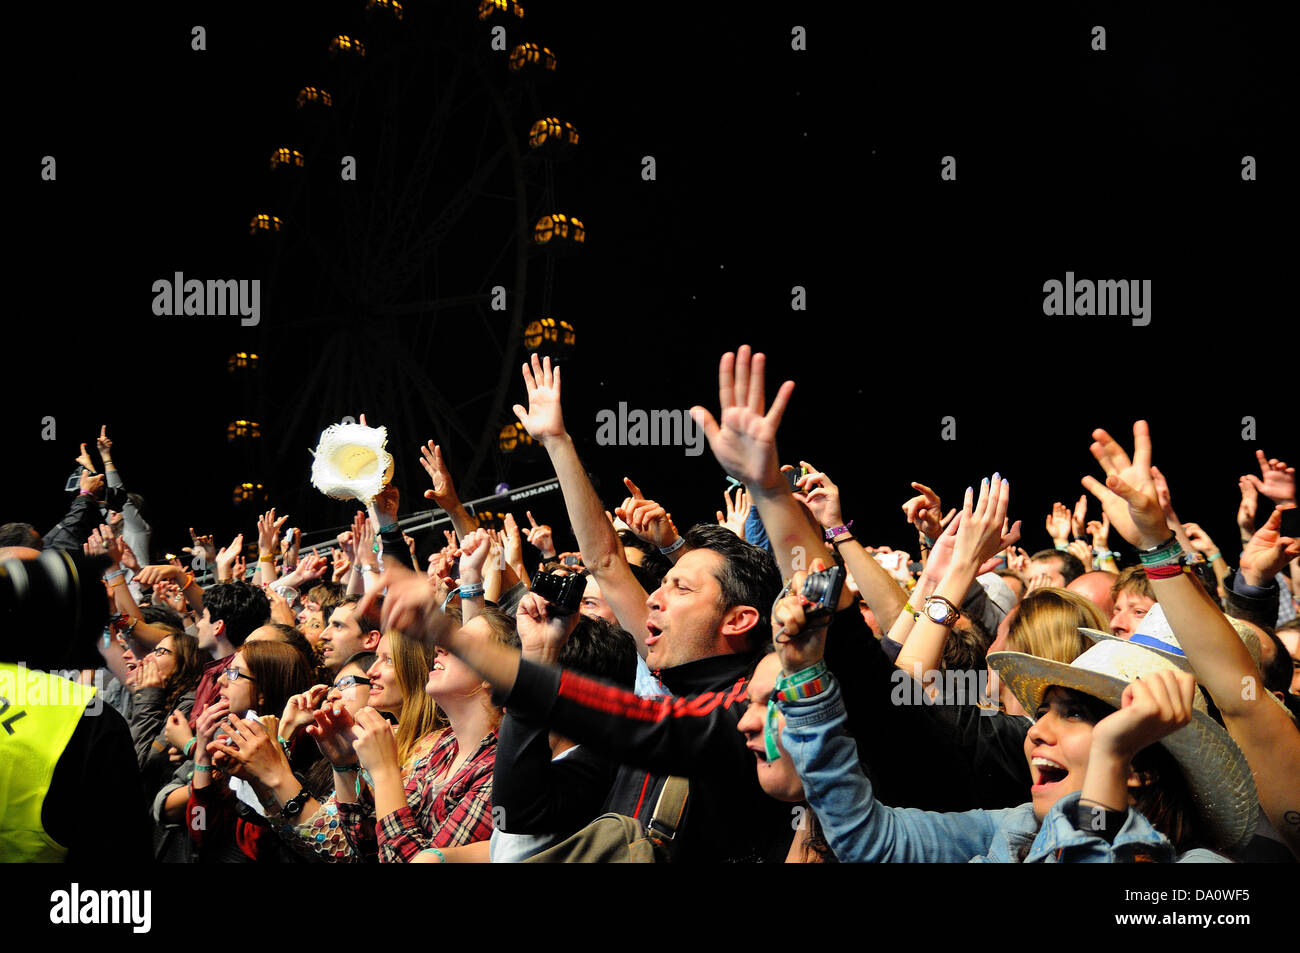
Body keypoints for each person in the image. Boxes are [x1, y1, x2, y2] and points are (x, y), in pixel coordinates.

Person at [771, 566, 1258, 862]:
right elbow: (869, 842)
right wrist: (806, 676)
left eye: (1073, 716)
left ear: (1144, 766)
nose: (1036, 733)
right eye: (1043, 711)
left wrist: (1110, 759)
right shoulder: (1015, 826)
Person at [186, 641, 313, 861]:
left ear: (263, 691)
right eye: (226, 670)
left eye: (234, 674)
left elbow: (259, 845)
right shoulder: (230, 740)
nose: (221, 680)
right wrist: (202, 752)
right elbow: (200, 829)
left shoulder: (298, 752)